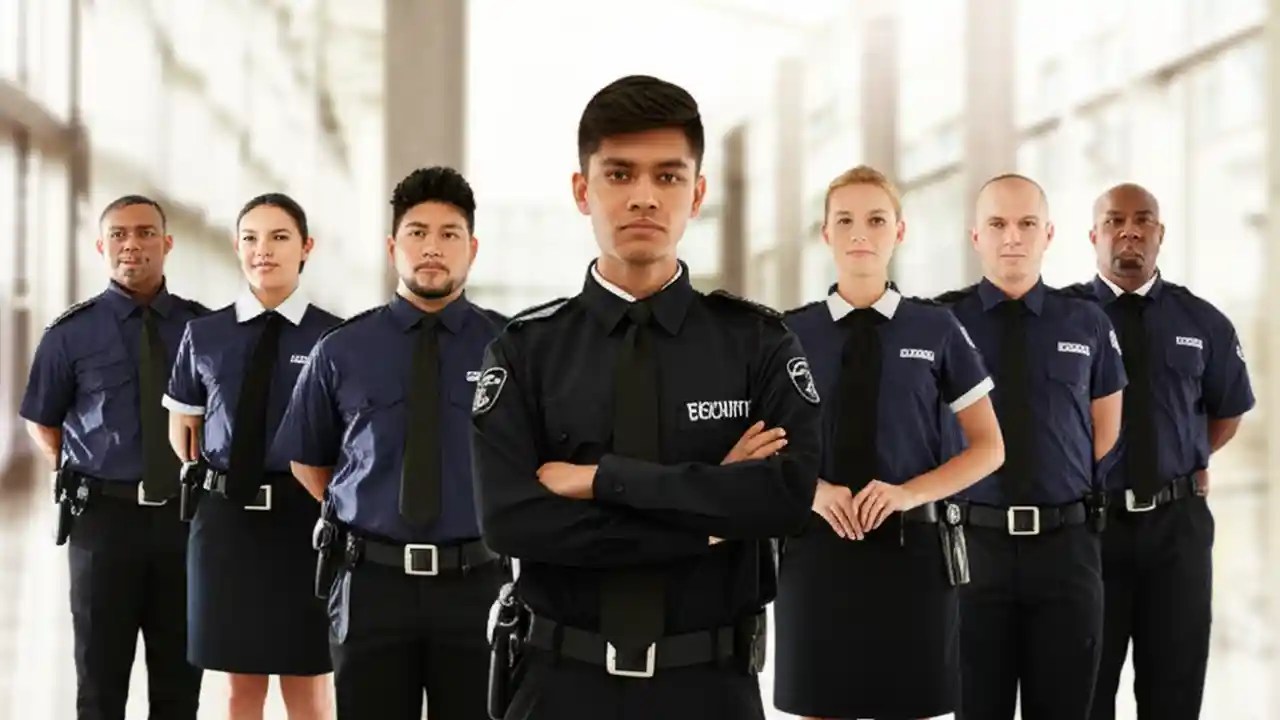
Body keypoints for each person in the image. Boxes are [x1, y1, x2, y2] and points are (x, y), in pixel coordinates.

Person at [470, 74, 821, 720]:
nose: (643, 198)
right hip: (559, 687)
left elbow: (785, 497)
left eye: (667, 177)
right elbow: (512, 521)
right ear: (583, 189)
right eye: (619, 174)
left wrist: (601, 480)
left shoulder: (759, 344)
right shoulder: (523, 353)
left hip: (710, 689)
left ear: (698, 191)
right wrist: (709, 519)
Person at [274, 167, 508, 720]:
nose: (433, 247)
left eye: (450, 234)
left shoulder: (512, 349)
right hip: (371, 585)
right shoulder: (342, 350)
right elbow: (310, 462)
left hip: (477, 583)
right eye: (417, 233)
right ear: (392, 247)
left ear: (471, 248)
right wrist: (369, 510)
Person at [773, 165, 1005, 720]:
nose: (860, 233)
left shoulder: (936, 329)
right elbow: (761, 446)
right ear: (825, 234)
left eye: (876, 220)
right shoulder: (786, 333)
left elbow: (988, 448)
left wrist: (906, 494)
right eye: (845, 220)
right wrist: (813, 490)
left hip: (915, 558)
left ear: (899, 232)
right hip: (816, 553)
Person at [936, 174, 1126, 720]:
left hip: (1066, 553)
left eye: (1026, 224)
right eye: (997, 224)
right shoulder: (941, 322)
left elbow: (1104, 428)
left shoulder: (1086, 321)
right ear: (976, 237)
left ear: (1049, 234)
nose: (1012, 237)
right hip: (972, 549)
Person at [1067, 183, 1255, 720]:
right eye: (1114, 220)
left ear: (1159, 234)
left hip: (1177, 533)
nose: (1129, 230)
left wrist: (1182, 458)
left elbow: (1227, 411)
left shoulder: (1203, 321)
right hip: (1087, 530)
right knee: (1084, 691)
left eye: (1143, 220)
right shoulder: (1060, 318)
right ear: (1093, 235)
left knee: (1174, 688)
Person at [20, 195, 206, 718]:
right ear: (102, 246)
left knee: (179, 682)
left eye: (146, 233)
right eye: (120, 234)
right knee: (100, 682)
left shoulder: (203, 330)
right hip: (103, 523)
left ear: (167, 244)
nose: (133, 244)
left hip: (184, 521)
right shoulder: (69, 334)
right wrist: (81, 468)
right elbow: (42, 418)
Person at [164, 193, 340, 719]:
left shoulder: (335, 336)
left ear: (306, 247)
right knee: (241, 685)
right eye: (250, 238)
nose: (263, 250)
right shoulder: (205, 334)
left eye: (279, 237)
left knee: (306, 681)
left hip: (304, 521)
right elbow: (185, 433)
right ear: (236, 247)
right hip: (228, 524)